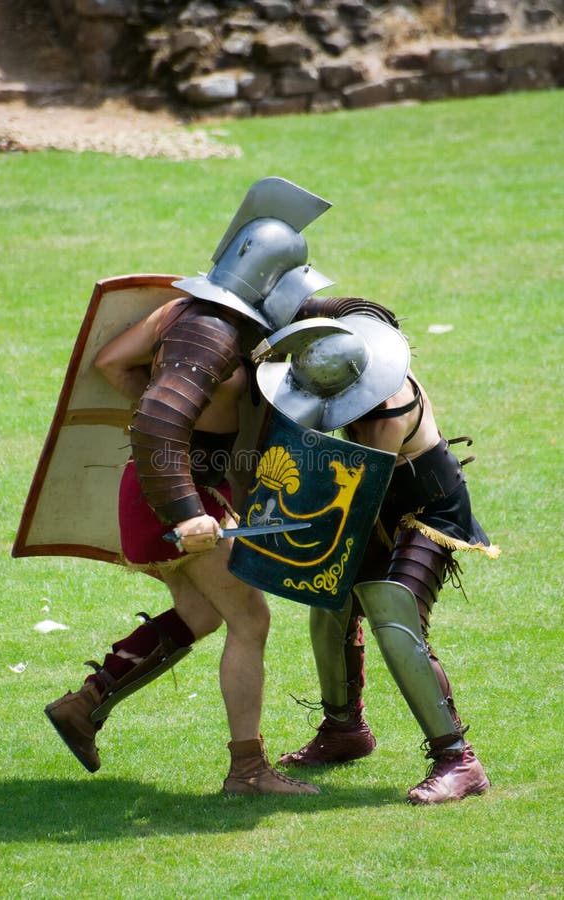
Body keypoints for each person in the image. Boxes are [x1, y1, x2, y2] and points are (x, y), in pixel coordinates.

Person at [43, 176, 335, 795]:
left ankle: (84, 703)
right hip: (175, 496)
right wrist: (186, 512)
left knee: (202, 612)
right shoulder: (215, 333)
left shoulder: (176, 313)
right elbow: (156, 420)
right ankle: (248, 771)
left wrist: (174, 410)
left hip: (154, 486)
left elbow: (111, 363)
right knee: (250, 620)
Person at [253, 296, 500, 804]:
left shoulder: (388, 411)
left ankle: (459, 759)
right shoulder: (336, 367)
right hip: (371, 504)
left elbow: (350, 492)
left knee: (394, 614)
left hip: (427, 510)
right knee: (329, 604)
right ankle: (343, 731)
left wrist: (292, 516)